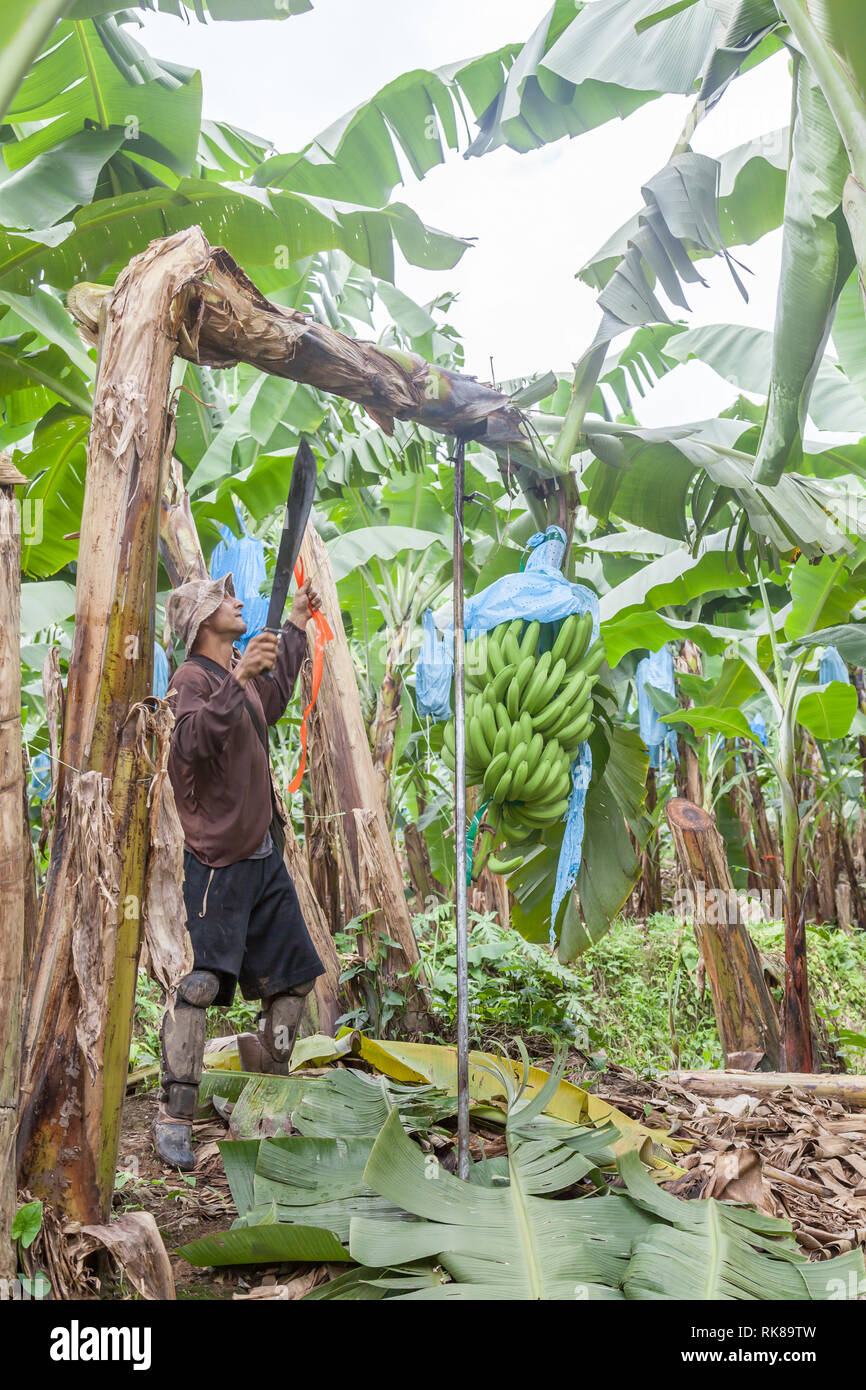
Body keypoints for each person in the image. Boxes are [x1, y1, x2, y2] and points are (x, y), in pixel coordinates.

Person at [152, 571, 325, 1170]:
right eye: (226, 599)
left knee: (292, 980)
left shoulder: (230, 679)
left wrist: (296, 626)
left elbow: (265, 708)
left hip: (262, 854)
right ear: (204, 622)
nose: (239, 601)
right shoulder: (189, 683)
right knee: (197, 986)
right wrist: (243, 675)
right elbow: (192, 743)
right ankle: (176, 1113)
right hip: (217, 861)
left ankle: (270, 1095)